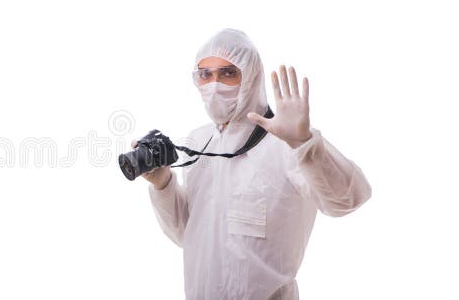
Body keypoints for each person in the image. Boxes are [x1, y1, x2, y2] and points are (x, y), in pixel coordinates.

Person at [138, 29, 371, 299]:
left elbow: (350, 199)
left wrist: (305, 143)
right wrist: (163, 185)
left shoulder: (284, 142)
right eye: (205, 74)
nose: (214, 85)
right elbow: (187, 236)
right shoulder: (199, 141)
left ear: (251, 77)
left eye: (227, 73)